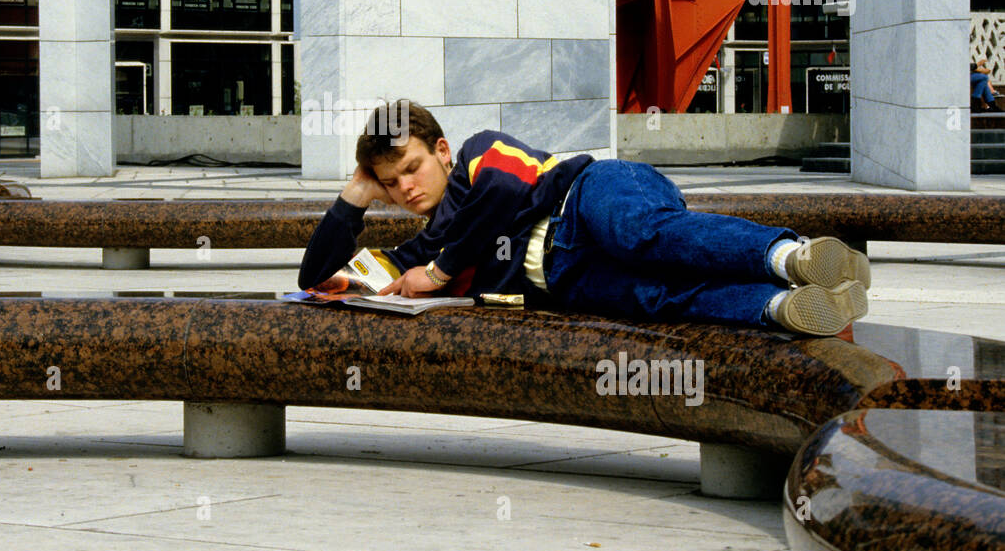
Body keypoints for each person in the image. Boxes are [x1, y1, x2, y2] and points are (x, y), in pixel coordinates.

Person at [298, 100, 870, 336]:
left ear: (440, 150)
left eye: (413, 168)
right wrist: (353, 196)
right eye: (390, 182)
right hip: (566, 279)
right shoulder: (415, 253)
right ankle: (785, 306)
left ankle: (791, 257)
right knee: (657, 300)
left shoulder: (477, 154)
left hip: (586, 198)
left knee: (639, 236)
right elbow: (317, 281)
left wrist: (443, 272)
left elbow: (503, 189)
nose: (405, 188)